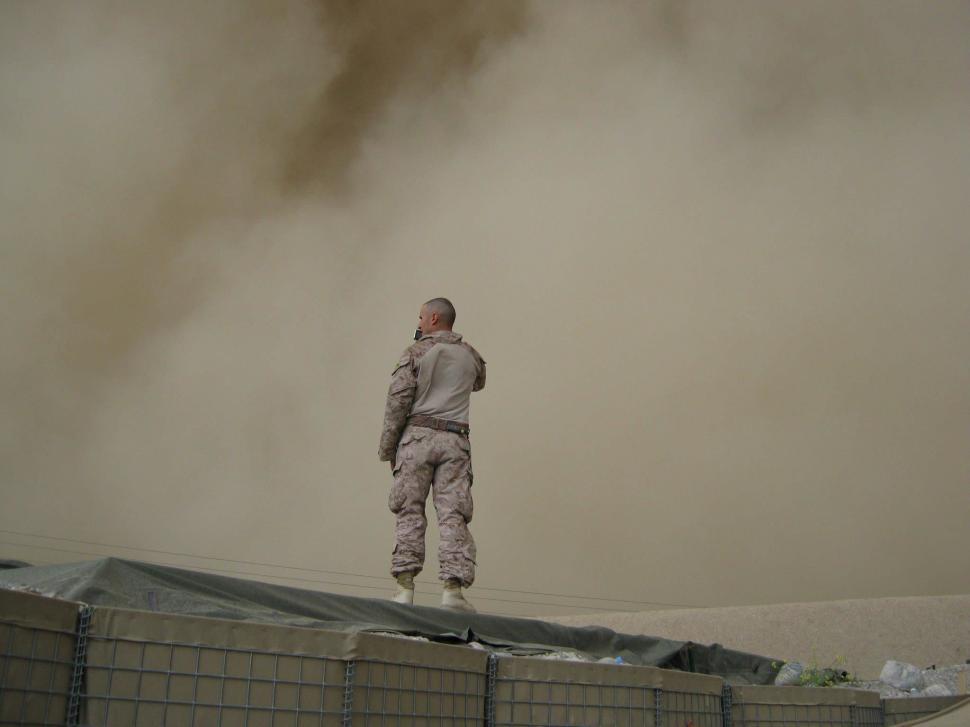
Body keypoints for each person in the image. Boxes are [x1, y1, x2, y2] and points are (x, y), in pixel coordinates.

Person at [378, 298, 486, 612]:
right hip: (455, 440)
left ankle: (404, 588)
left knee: (409, 510)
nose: (419, 323)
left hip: (418, 438)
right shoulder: (471, 355)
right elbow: (479, 382)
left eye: (421, 317)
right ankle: (453, 591)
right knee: (453, 514)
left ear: (434, 318)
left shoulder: (415, 353)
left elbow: (397, 403)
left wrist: (388, 449)